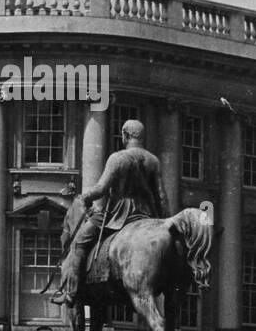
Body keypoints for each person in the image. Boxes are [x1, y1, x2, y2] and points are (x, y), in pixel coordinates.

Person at [52, 119, 169, 306]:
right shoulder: (153, 161)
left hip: (118, 214)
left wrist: (83, 198)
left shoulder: (118, 158)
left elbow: (100, 188)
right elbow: (161, 196)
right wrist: (166, 223)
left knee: (79, 241)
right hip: (146, 215)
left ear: (124, 135)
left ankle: (70, 293)